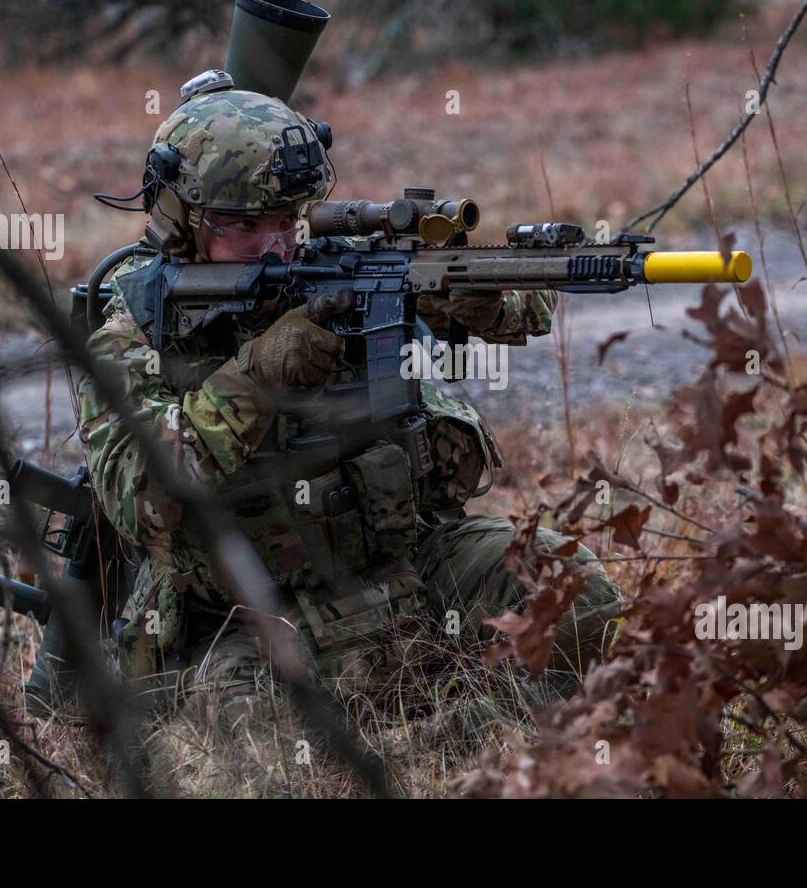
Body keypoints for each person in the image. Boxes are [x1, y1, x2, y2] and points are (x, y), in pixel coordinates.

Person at [41, 74, 620, 725]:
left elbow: (525, 306)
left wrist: (474, 295)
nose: (277, 244)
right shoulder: (135, 328)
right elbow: (140, 497)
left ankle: (502, 730)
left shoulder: (335, 263)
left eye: (288, 220)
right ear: (181, 221)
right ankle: (441, 738)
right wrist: (255, 378)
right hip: (251, 612)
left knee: (576, 593)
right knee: (256, 739)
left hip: (410, 566)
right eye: (245, 225)